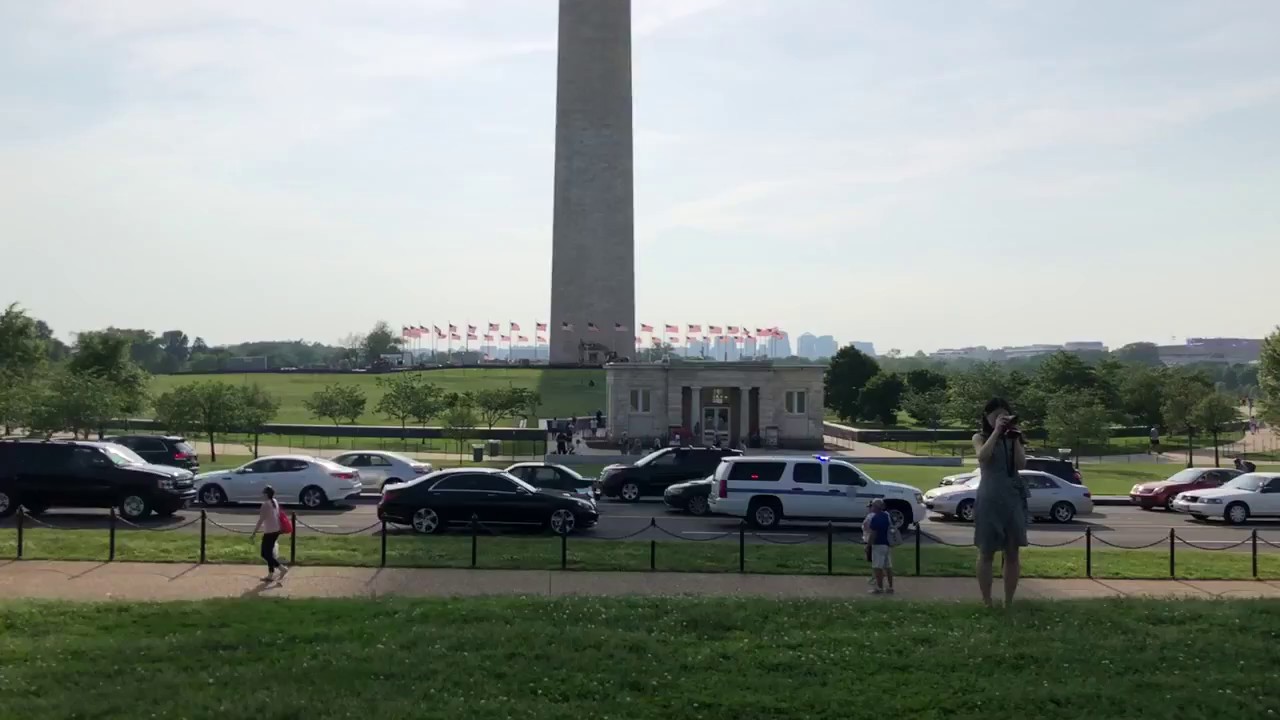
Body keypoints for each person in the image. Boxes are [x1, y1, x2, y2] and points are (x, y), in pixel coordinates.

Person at [973, 398, 1027, 608]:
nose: (1001, 419)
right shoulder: (979, 437)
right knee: (986, 551)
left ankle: (1008, 602)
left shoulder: (1013, 438)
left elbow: (1021, 464)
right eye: (996, 415)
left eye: (1005, 415)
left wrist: (1014, 438)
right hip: (989, 497)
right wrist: (996, 433)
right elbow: (982, 457)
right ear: (987, 417)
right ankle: (987, 601)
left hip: (1012, 497)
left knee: (1012, 552)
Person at [250, 485, 288, 582]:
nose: (262, 495)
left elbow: (261, 520)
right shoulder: (274, 501)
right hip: (276, 530)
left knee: (265, 554)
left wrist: (254, 532)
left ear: (266, 494)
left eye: (263, 493)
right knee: (268, 553)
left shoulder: (265, 505)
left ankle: (281, 568)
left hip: (270, 532)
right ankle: (271, 574)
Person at [865, 499, 894, 595]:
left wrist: (868, 546)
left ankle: (879, 588)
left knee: (878, 567)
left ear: (876, 507)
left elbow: (873, 534)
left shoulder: (875, 518)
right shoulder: (887, 516)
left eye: (872, 506)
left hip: (878, 545)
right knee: (888, 566)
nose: (871, 507)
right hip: (887, 544)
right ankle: (890, 587)